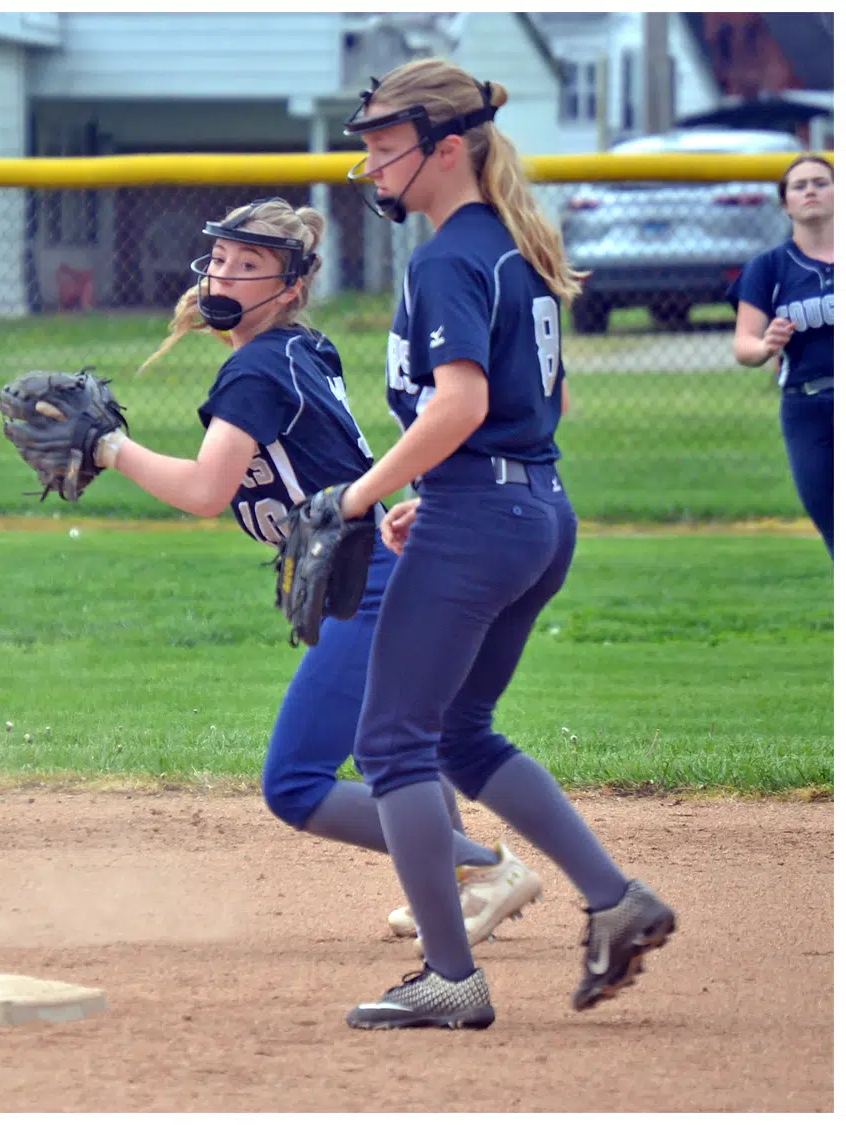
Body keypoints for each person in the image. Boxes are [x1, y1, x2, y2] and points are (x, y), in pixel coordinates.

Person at [317, 61, 677, 1030]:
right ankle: (614, 900)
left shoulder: (447, 256)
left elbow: (462, 402)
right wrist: (433, 487)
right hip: (531, 514)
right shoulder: (511, 243)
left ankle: (449, 977)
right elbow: (546, 402)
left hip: (483, 519)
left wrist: (360, 493)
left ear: (443, 146)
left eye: (382, 142)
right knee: (460, 735)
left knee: (390, 742)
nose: (369, 160)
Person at [109, 197, 542, 948]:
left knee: (296, 782)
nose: (226, 276)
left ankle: (480, 870)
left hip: (371, 580)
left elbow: (207, 492)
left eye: (250, 268)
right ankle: (456, 887)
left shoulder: (256, 369)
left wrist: (109, 449)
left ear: (290, 288)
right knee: (398, 744)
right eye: (220, 261)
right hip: (385, 567)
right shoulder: (302, 349)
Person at [731, 153, 832, 554]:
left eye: (821, 182)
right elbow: (744, 345)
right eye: (799, 185)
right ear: (785, 203)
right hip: (806, 408)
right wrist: (766, 345)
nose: (810, 190)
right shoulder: (768, 269)